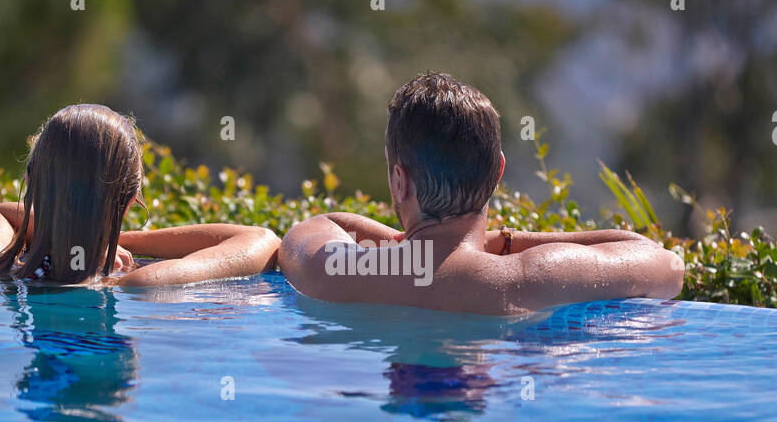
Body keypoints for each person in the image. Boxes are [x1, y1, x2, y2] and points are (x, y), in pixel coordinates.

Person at [278, 72, 683, 315]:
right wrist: (502, 243)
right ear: (497, 172)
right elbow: (668, 267)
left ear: (400, 181)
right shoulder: (529, 276)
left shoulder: (338, 272)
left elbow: (319, 225)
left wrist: (410, 248)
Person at [0, 104, 279, 287]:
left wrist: (72, 234)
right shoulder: (141, 283)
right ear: (129, 200)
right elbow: (261, 239)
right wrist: (106, 238)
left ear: (32, 181)